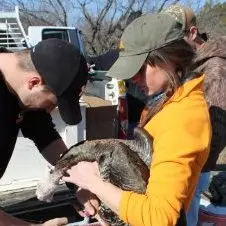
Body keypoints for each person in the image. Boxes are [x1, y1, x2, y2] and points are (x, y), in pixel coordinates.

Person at [62, 13, 211, 225]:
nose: (133, 78)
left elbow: (159, 217)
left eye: (139, 68)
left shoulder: (183, 118)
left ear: (169, 58)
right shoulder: (165, 101)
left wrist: (93, 182)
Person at [0, 38, 88, 226]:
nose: (49, 111)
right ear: (33, 82)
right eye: (52, 104)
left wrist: (82, 184)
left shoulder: (18, 82)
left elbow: (45, 135)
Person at [163, 4, 226, 225]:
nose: (169, 44)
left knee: (185, 218)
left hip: (194, 165)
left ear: (192, 33)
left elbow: (215, 128)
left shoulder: (215, 68)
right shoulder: (188, 61)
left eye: (175, 37)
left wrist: (194, 166)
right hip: (179, 161)